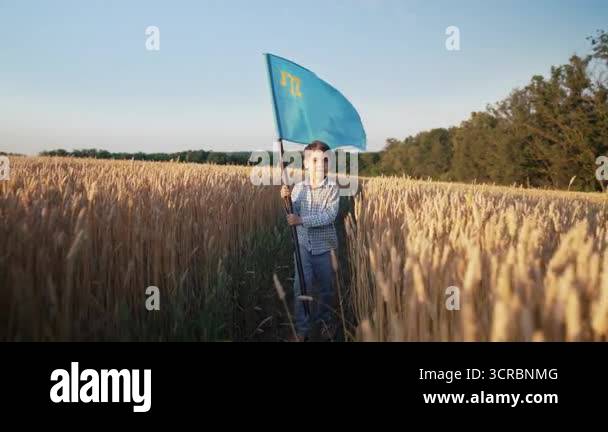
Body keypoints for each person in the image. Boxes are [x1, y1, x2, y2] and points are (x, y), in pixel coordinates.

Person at [280, 140, 340, 341]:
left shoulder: (332, 188)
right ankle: (302, 329)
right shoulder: (298, 188)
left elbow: (329, 216)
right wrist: (286, 200)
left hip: (325, 249)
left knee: (326, 288)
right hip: (303, 246)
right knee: (301, 287)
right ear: (305, 164)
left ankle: (325, 321)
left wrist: (301, 220)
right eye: (314, 160)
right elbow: (292, 215)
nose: (320, 165)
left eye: (324, 160)